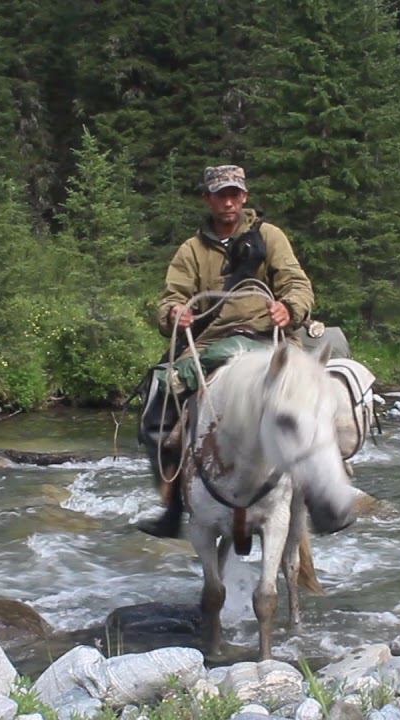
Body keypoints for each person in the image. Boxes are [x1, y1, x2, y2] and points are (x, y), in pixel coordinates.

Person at [136, 164, 314, 538]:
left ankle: (319, 493)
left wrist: (290, 307)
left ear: (244, 196)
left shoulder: (270, 237)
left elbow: (297, 284)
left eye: (235, 194)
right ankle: (172, 504)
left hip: (270, 339)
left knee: (311, 400)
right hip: (212, 342)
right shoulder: (192, 250)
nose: (229, 201)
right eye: (221, 194)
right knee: (159, 392)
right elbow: (171, 297)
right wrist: (175, 313)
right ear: (208, 199)